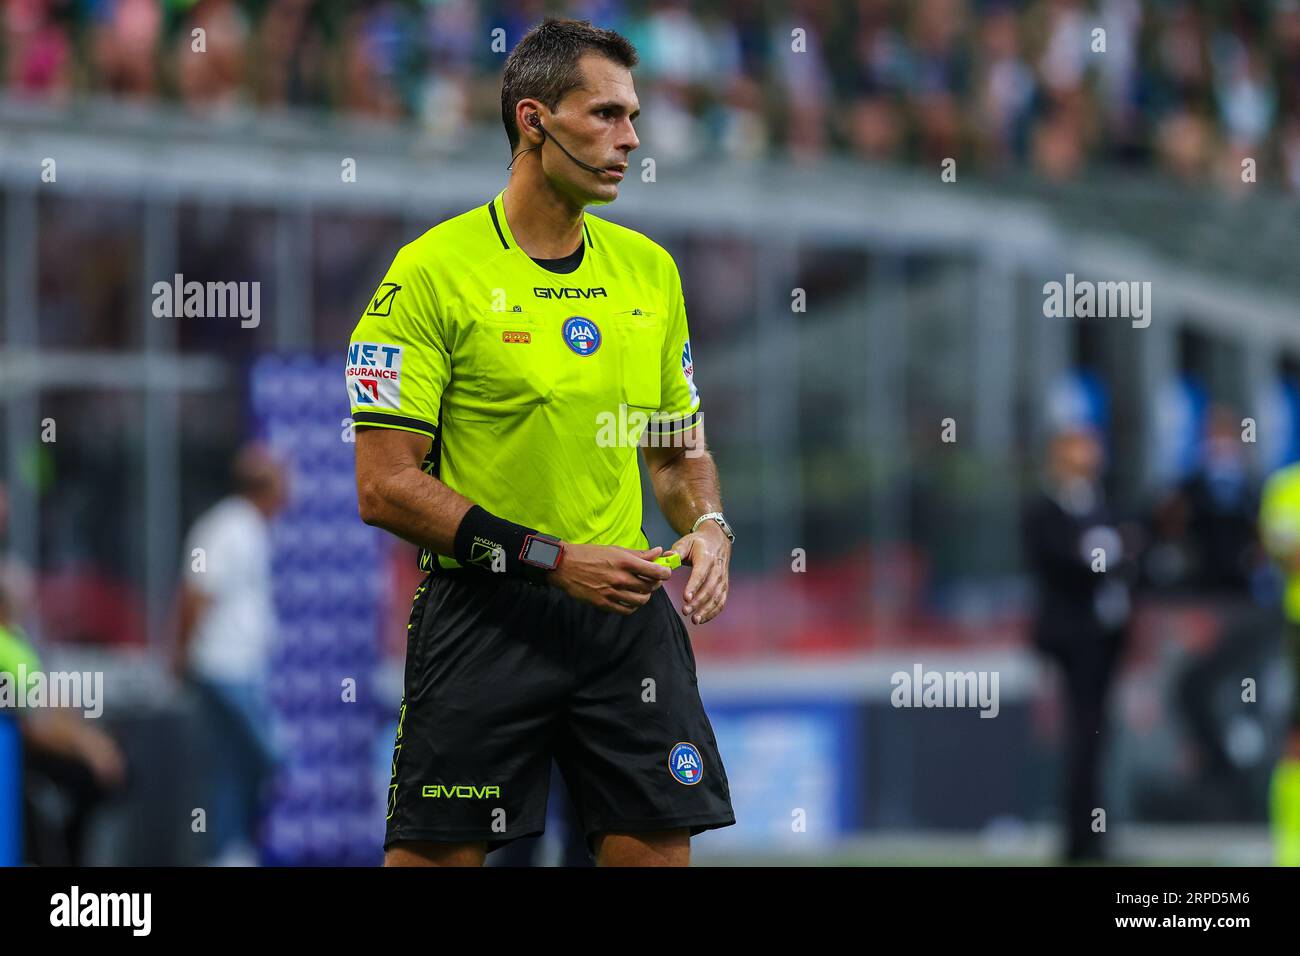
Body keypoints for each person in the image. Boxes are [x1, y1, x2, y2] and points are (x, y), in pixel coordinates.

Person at [348, 17, 736, 868]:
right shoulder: (430, 274)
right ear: (533, 120)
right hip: (488, 616)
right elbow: (384, 487)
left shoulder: (650, 273)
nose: (630, 139)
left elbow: (674, 452)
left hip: (624, 620)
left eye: (632, 116)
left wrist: (709, 525)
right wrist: (555, 560)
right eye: (605, 115)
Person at [1022, 423, 1133, 862]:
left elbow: (1130, 550)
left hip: (1108, 636)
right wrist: (1097, 559)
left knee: (1097, 735)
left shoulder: (1105, 503)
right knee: (1083, 735)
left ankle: (1094, 832)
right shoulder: (1045, 509)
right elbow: (1057, 565)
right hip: (1073, 638)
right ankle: (1077, 836)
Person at [176, 444, 288, 865]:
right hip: (223, 667)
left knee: (232, 764)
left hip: (241, 667)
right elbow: (195, 593)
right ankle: (227, 849)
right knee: (268, 754)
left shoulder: (253, 527)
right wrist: (183, 656)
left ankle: (230, 850)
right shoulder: (227, 527)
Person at [1257, 458, 1300, 866]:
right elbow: (1287, 553)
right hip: (1298, 623)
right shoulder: (1286, 485)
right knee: (1296, 740)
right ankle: (1291, 846)